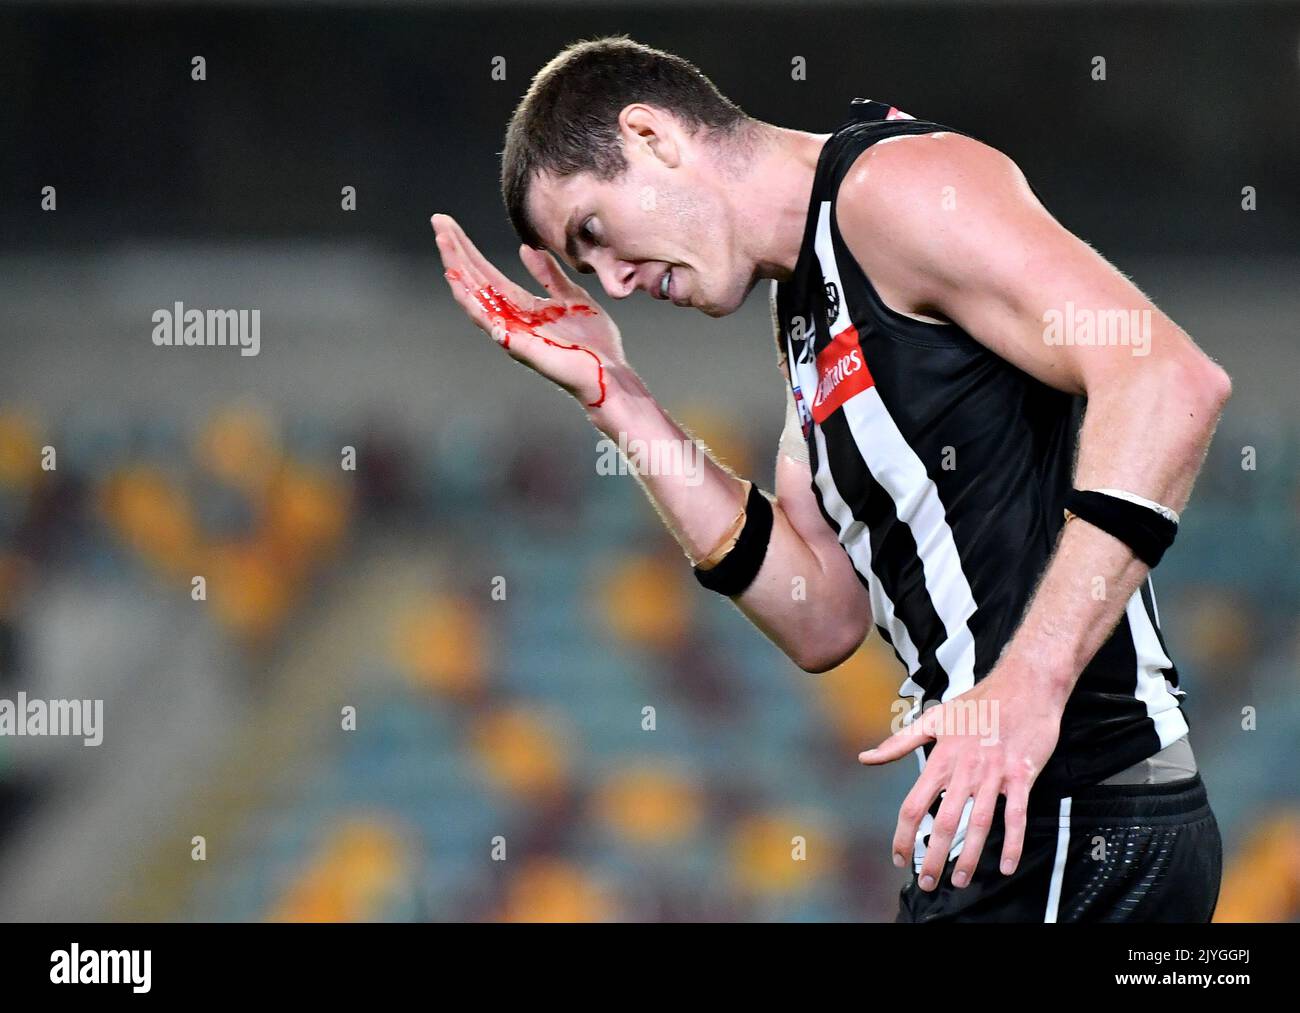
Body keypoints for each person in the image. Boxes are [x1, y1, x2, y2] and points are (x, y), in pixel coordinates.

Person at [431, 36, 1231, 922]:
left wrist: (1026, 685)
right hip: (1021, 814)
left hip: (1070, 807)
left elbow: (1167, 378)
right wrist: (619, 399)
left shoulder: (893, 192)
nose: (614, 281)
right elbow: (823, 613)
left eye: (593, 231)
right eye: (588, 269)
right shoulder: (804, 302)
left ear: (652, 135)